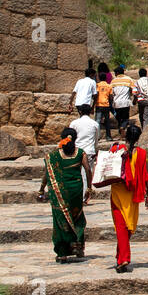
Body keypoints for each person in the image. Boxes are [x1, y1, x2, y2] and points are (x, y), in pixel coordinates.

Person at [37, 128, 92, 263]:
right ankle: (78, 247)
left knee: (60, 220)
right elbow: (87, 170)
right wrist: (89, 188)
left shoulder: (53, 156)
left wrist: (41, 190)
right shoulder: (80, 153)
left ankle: (62, 252)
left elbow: (46, 174)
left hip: (59, 192)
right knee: (77, 216)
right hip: (76, 191)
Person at [107, 123, 148, 274]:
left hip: (118, 194)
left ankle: (122, 257)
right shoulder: (142, 153)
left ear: (125, 135)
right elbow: (145, 175)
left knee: (120, 226)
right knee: (128, 225)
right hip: (133, 194)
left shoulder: (116, 149)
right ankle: (121, 257)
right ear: (138, 138)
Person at [70, 103, 100, 192]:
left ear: (80, 111)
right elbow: (96, 138)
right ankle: (85, 194)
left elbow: (71, 137)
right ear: (91, 111)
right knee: (86, 173)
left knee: (76, 174)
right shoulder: (94, 124)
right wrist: (95, 149)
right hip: (89, 150)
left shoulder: (74, 123)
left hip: (76, 150)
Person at [109, 65, 138, 138]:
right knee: (125, 118)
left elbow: (110, 93)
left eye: (115, 73)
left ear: (117, 73)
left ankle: (121, 132)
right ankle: (122, 128)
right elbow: (135, 90)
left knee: (119, 118)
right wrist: (134, 99)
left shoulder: (113, 81)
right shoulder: (128, 79)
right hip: (125, 102)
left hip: (116, 103)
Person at [94, 70, 114, 138]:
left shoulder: (97, 85)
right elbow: (111, 97)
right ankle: (108, 136)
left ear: (99, 78)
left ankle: (98, 136)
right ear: (105, 78)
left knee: (98, 121)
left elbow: (96, 94)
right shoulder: (109, 86)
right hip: (106, 105)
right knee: (107, 121)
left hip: (99, 104)